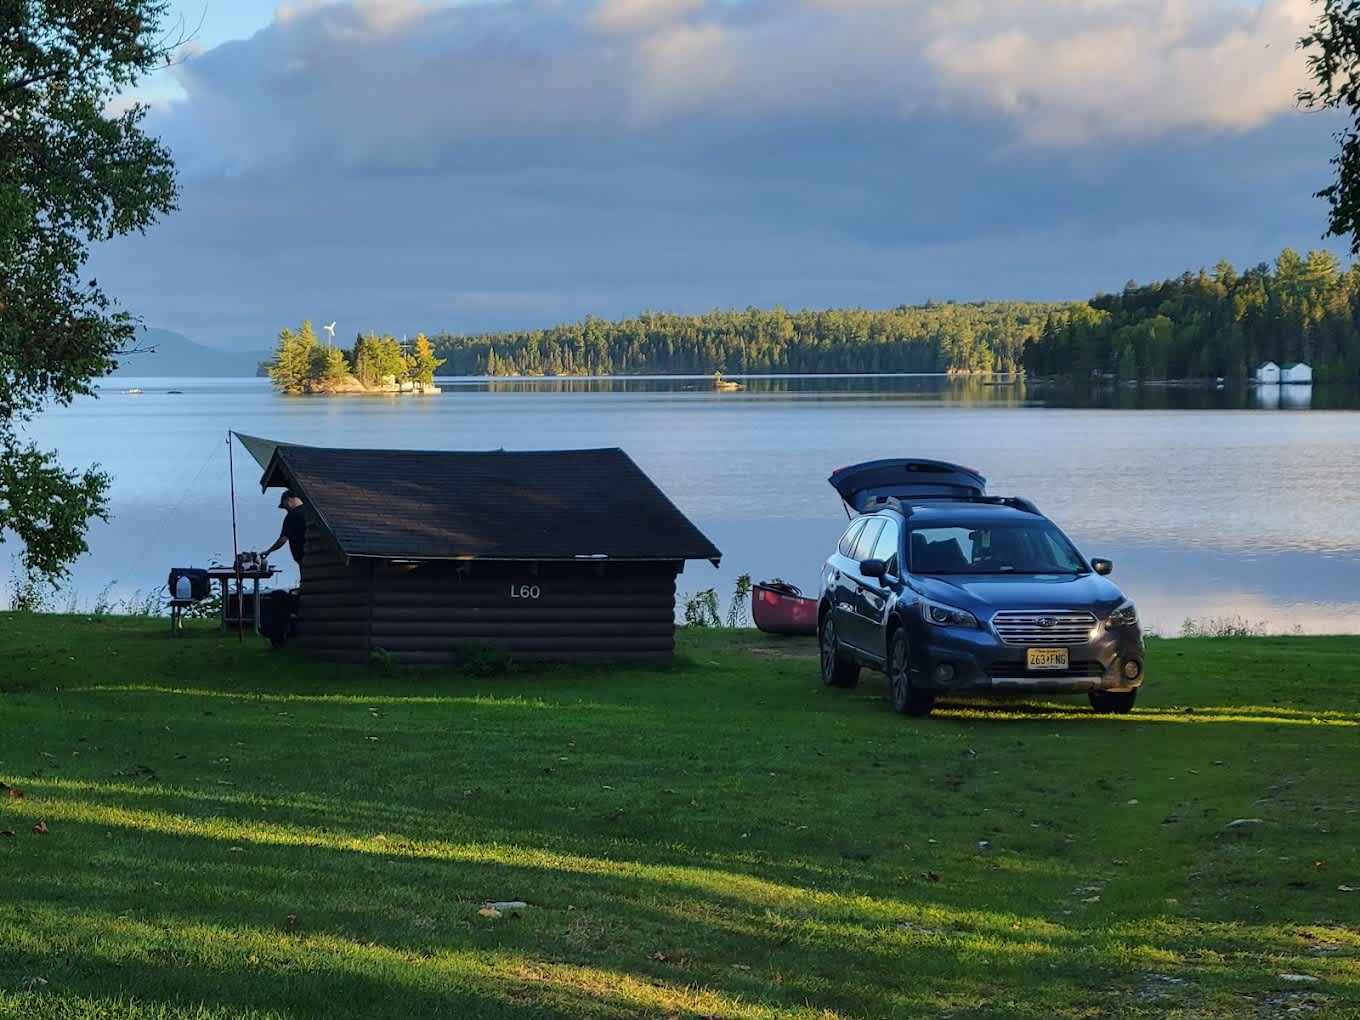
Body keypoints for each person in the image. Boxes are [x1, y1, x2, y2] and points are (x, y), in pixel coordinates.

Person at [263, 489, 306, 566]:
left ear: (287, 500)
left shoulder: (292, 516)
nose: (286, 509)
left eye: (284, 506)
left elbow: (282, 540)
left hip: (304, 558)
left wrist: (268, 551)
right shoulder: (310, 510)